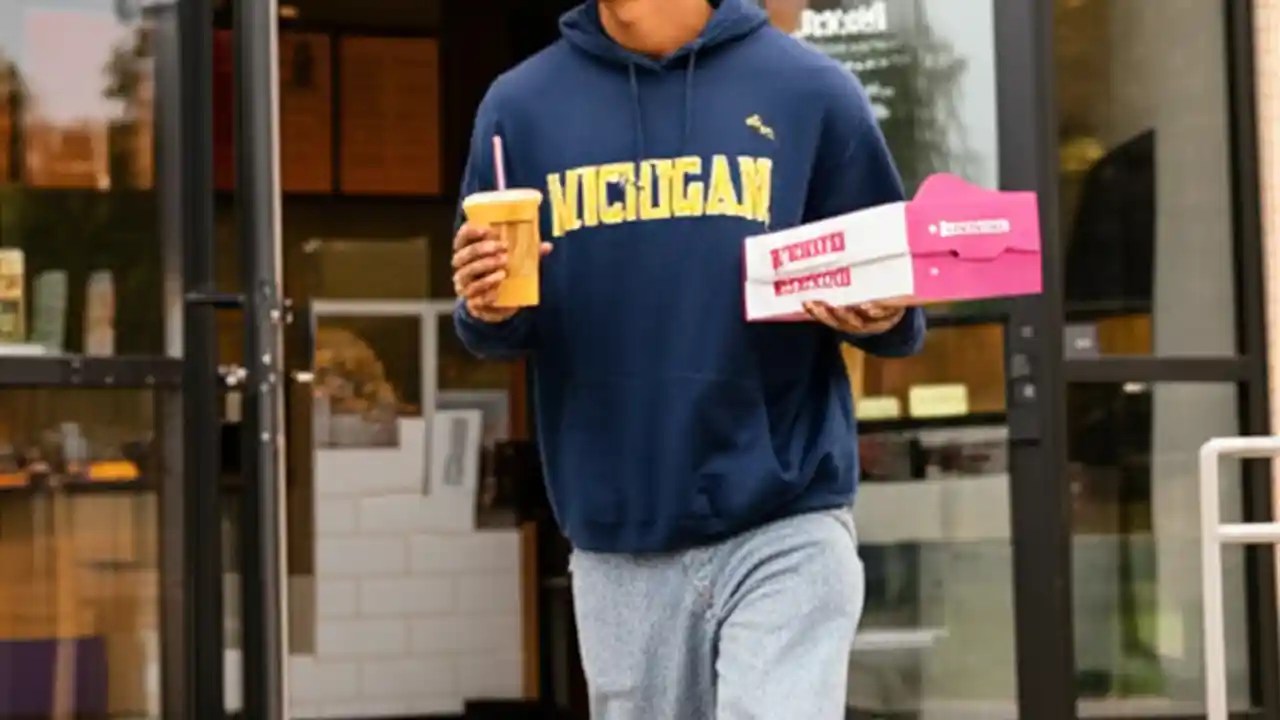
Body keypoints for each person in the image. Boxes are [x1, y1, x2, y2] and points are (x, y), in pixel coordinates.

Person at [451, 0, 925, 717]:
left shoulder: (810, 92)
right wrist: (486, 307)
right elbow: (500, 323)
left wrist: (885, 310)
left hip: (784, 520)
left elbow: (891, 296)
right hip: (620, 542)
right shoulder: (521, 108)